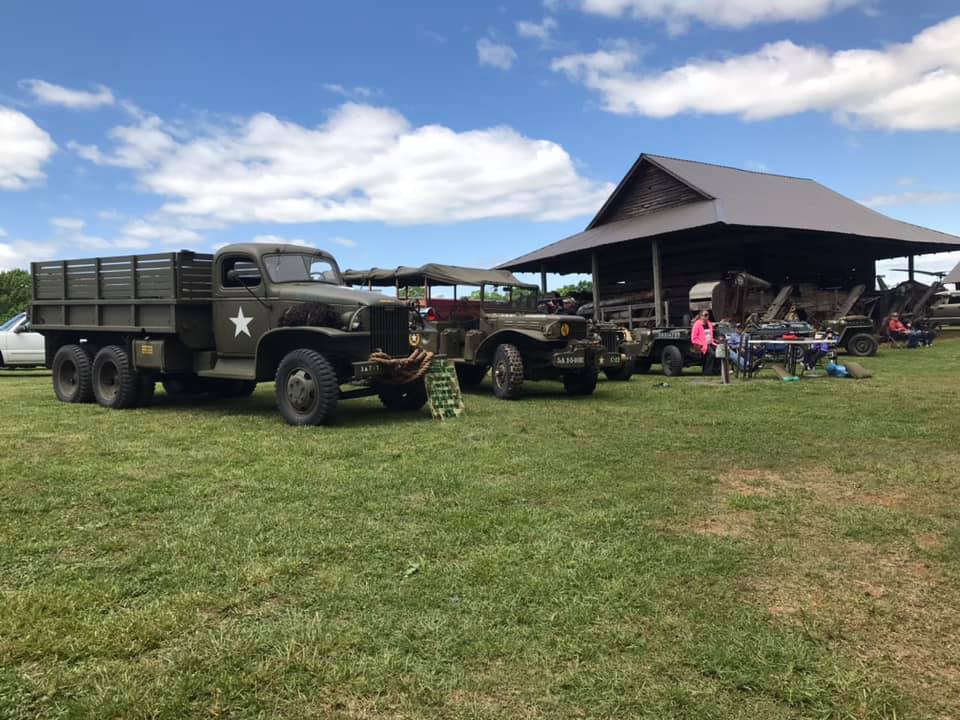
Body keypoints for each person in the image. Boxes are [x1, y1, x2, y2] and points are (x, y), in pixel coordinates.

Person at [690, 310, 718, 374]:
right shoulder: (697, 324)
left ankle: (716, 370)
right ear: (701, 316)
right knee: (711, 354)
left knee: (719, 351)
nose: (707, 316)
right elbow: (693, 338)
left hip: (710, 342)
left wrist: (714, 341)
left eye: (707, 315)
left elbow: (710, 334)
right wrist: (700, 343)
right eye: (705, 315)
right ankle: (707, 371)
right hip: (702, 344)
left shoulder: (709, 323)